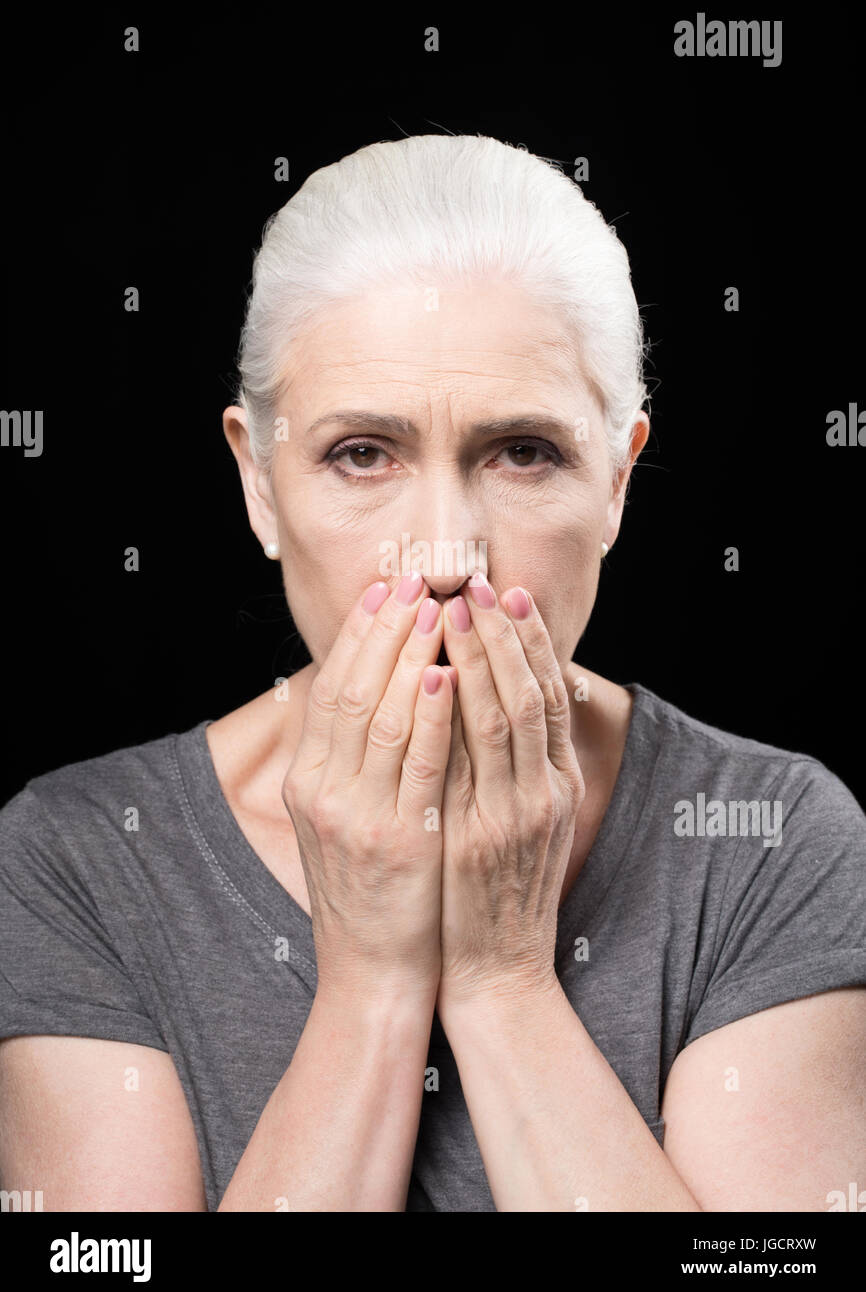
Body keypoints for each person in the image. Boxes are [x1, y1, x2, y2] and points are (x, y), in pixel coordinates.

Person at [1, 135, 863, 1213]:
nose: (447, 554)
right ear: (259, 485)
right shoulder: (80, 857)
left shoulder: (769, 836)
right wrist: (369, 985)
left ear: (616, 482)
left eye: (522, 452)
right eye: (362, 452)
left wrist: (502, 980)